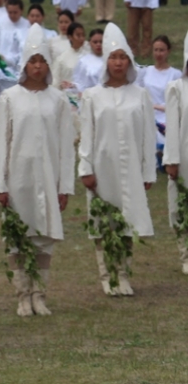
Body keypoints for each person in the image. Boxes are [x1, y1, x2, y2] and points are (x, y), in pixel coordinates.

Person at [0, 24, 75, 317]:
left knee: (43, 236)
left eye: (42, 60)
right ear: (24, 64)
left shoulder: (58, 100)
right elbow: (2, 142)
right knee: (19, 237)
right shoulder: (9, 98)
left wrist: (64, 186)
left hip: (48, 177)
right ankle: (22, 295)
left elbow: (66, 146)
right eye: (32, 61)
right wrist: (0, 183)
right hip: (18, 178)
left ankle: (39, 294)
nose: (37, 66)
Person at [79, 23, 156, 297]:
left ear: (130, 60)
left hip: (131, 168)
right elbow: (87, 135)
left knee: (128, 220)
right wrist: (86, 168)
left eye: (123, 57)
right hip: (102, 169)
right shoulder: (92, 96)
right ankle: (107, 276)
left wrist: (148, 172)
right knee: (104, 222)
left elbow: (148, 136)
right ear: (106, 61)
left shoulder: (140, 95)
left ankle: (123, 274)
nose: (118, 62)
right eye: (113, 57)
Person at [164, 31, 188, 274]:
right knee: (181, 206)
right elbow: (172, 125)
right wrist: (171, 159)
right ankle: (186, 253)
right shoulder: (177, 89)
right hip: (184, 155)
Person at [137, 35, 181, 165]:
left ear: (168, 51)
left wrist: (157, 107)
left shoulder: (175, 74)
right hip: (147, 113)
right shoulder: (146, 71)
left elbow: (178, 102)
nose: (158, 54)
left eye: (161, 50)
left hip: (166, 116)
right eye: (156, 50)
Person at [52, 21, 88, 90]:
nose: (81, 38)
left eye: (83, 35)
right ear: (70, 37)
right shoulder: (62, 58)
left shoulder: (89, 56)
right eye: (78, 35)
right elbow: (55, 81)